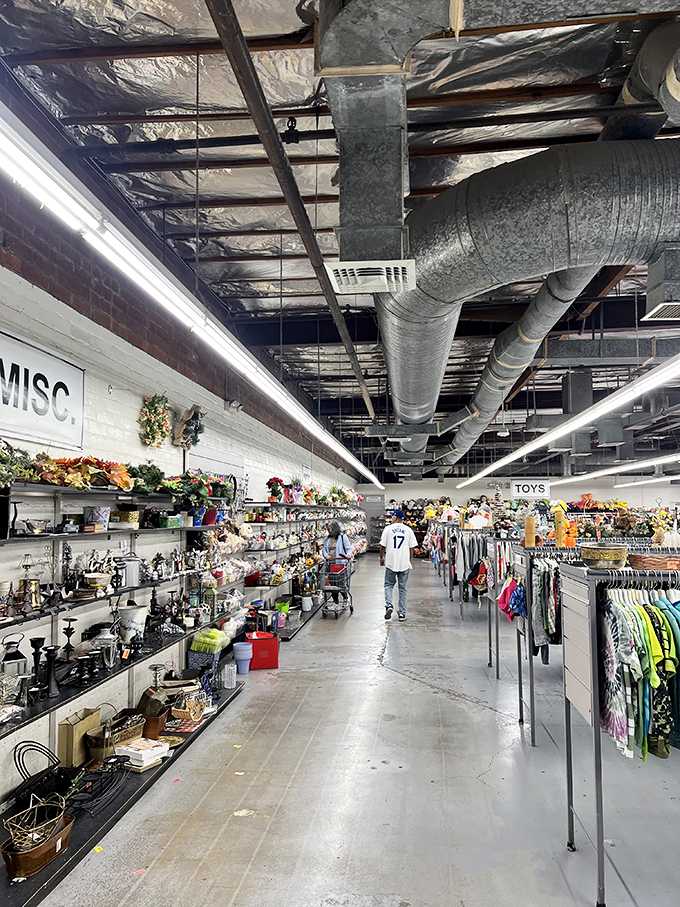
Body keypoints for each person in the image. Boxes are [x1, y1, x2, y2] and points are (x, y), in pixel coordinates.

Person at [379, 509, 418, 622]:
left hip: (391, 562)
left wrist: (381, 558)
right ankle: (402, 614)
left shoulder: (388, 529)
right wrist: (408, 560)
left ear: (395, 518)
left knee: (388, 585)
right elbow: (412, 548)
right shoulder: (408, 530)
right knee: (403, 589)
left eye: (392, 516)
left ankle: (389, 605)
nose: (391, 518)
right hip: (404, 563)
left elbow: (382, 546)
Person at [322, 521, 352, 603]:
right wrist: (326, 555)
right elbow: (324, 549)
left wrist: (348, 556)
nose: (329, 531)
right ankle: (336, 601)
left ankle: (345, 597)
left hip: (340, 564)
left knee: (340, 583)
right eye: (328, 529)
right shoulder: (327, 539)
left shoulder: (342, 537)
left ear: (335, 529)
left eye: (330, 529)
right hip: (330, 564)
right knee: (332, 584)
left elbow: (348, 549)